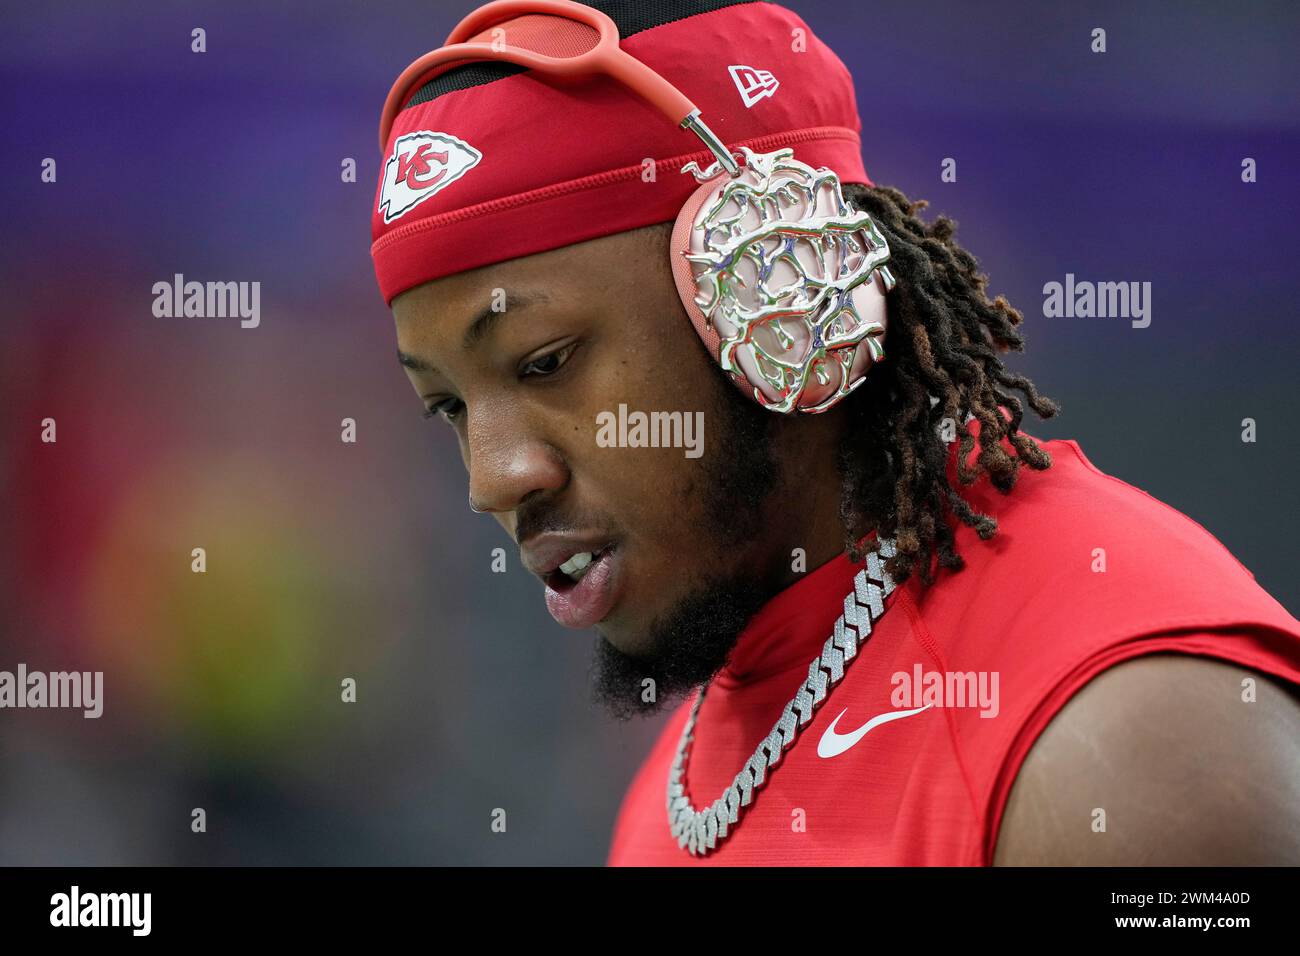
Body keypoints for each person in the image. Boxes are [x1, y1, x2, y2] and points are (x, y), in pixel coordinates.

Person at [370, 0, 1300, 864]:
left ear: (774, 290)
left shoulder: (1127, 736)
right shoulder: (679, 786)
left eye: (545, 363)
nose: (493, 479)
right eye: (449, 406)